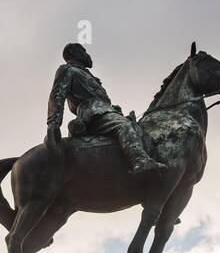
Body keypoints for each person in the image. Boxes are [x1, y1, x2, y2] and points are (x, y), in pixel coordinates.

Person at [47, 43, 167, 176]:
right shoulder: (67, 70)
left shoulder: (88, 75)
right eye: (84, 52)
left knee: (137, 128)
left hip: (105, 111)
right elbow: (57, 95)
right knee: (124, 126)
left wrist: (113, 108)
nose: (88, 55)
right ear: (75, 54)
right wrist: (53, 123)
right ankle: (139, 161)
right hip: (92, 114)